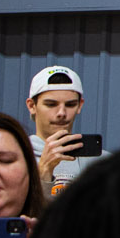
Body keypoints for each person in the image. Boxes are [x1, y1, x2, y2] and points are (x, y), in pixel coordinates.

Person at [26, 64, 99, 194]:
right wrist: (44, 172)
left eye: (70, 104)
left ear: (80, 105)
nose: (61, 113)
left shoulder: (100, 162)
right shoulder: (16, 157)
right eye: (51, 104)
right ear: (32, 106)